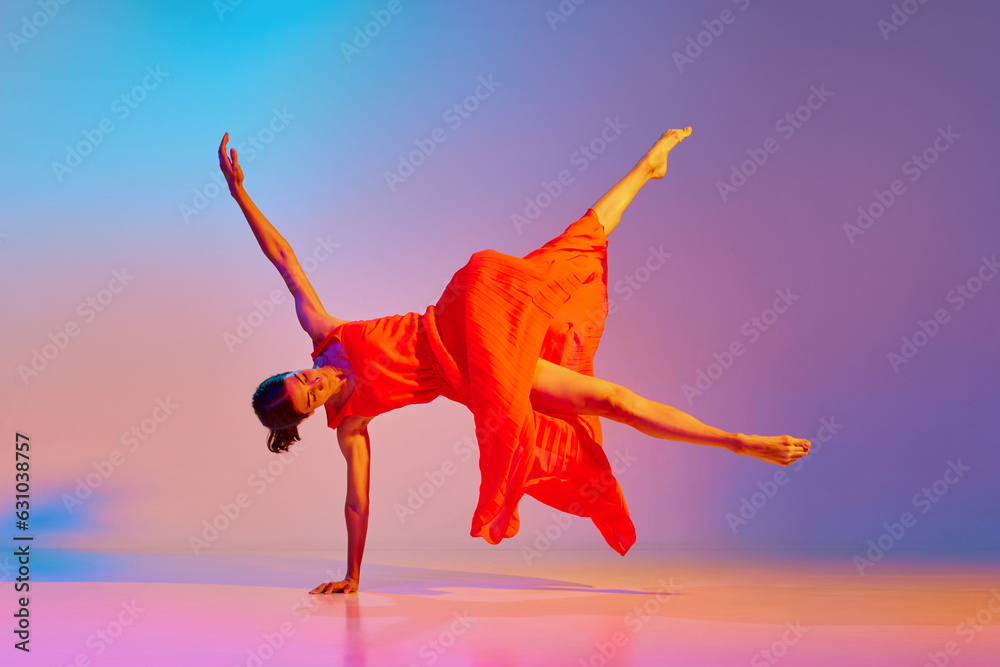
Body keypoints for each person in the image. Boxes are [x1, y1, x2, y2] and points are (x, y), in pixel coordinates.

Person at [218, 127, 811, 594]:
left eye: (305, 378)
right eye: (314, 397)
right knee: (613, 400)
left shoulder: (325, 333)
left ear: (296, 366)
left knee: (556, 257)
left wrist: (241, 193)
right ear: (312, 413)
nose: (320, 383)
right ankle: (739, 442)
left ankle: (645, 168)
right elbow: (356, 501)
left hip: (463, 315)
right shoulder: (351, 425)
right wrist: (353, 575)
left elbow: (284, 258)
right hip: (482, 377)